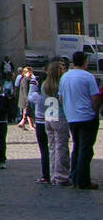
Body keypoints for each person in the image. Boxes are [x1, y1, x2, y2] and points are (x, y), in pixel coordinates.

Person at [59, 51, 100, 190]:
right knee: (85, 149)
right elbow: (95, 98)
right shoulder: (88, 77)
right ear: (84, 61)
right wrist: (95, 113)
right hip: (86, 116)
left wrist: (68, 110)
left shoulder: (65, 77)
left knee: (77, 147)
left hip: (72, 117)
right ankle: (83, 180)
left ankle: (75, 176)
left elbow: (61, 98)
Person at [37, 61, 71, 186]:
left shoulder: (45, 85)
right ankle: (61, 176)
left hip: (49, 116)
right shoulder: (60, 85)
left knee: (52, 147)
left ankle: (53, 174)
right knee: (61, 147)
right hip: (60, 116)